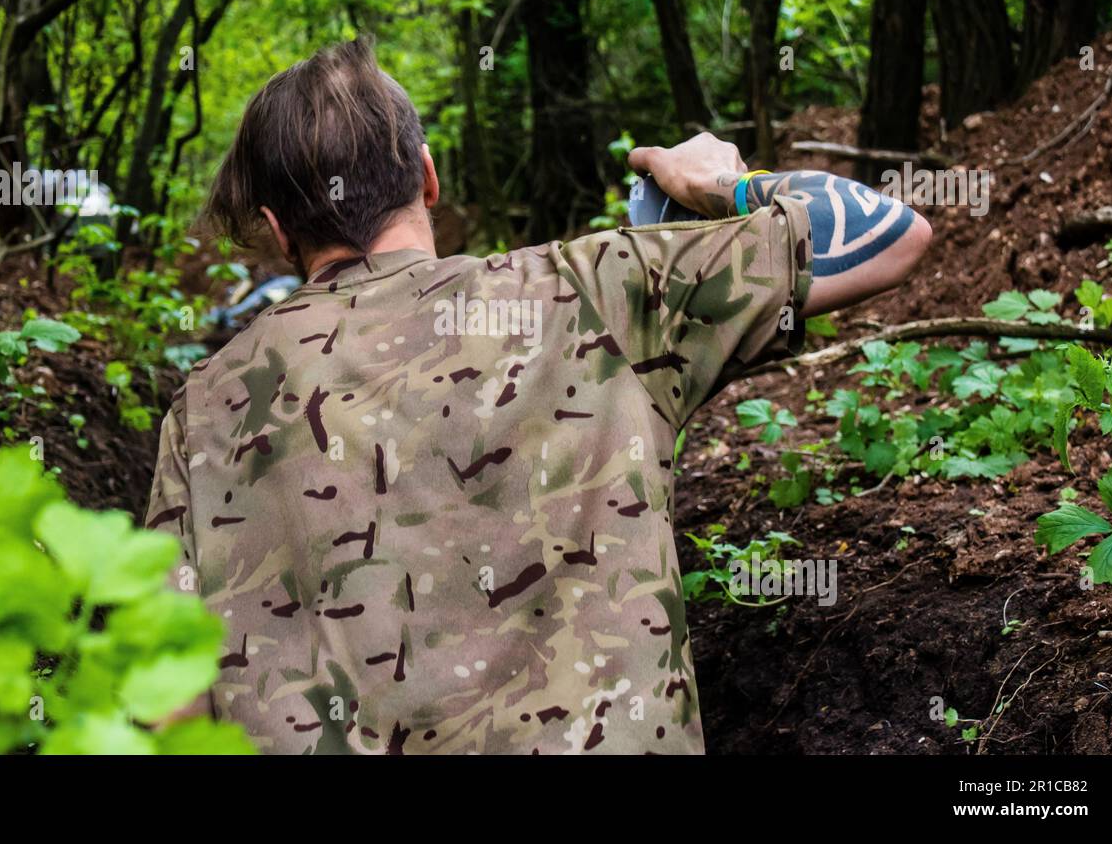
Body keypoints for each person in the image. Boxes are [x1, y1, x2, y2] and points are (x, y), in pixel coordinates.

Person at [145, 37, 931, 754]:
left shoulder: (206, 410)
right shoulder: (588, 293)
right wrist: (725, 184)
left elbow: (165, 710)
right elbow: (893, 235)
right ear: (426, 175)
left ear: (280, 230)